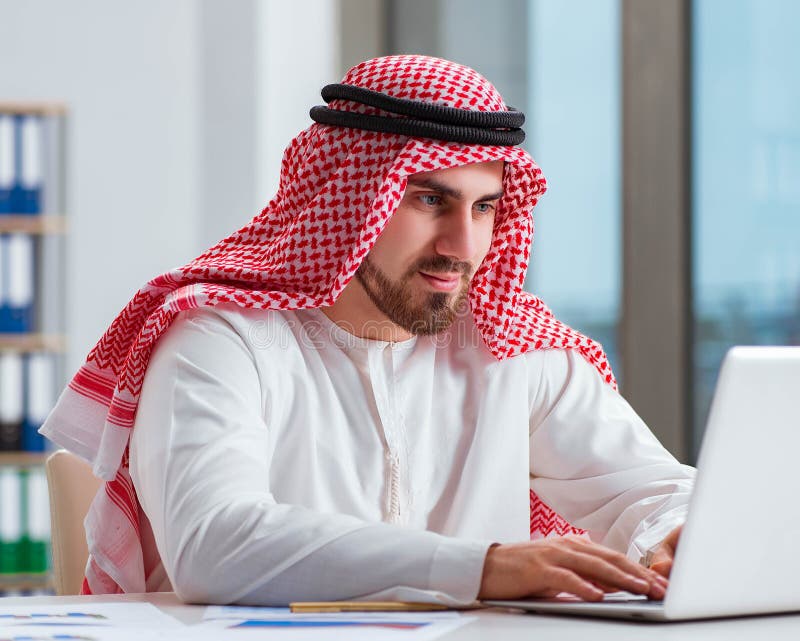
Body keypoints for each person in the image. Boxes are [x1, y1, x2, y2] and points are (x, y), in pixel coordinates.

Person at [41, 55, 694, 605]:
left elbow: (658, 490)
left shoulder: (511, 350)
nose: (462, 244)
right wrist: (486, 567)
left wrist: (680, 533)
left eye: (485, 206)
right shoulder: (223, 340)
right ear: (351, 197)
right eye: (429, 199)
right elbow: (215, 542)